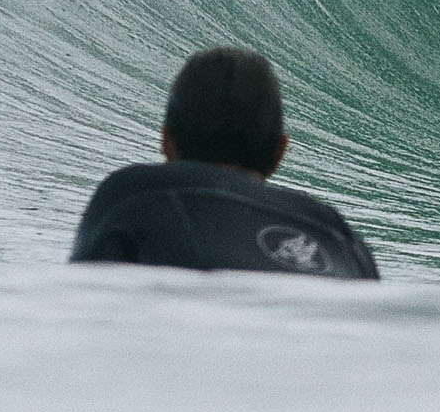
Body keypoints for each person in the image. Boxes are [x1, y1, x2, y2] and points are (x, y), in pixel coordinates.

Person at [70, 46, 381, 278]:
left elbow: (85, 319)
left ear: (166, 141)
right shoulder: (337, 233)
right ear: (280, 152)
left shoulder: (131, 196)